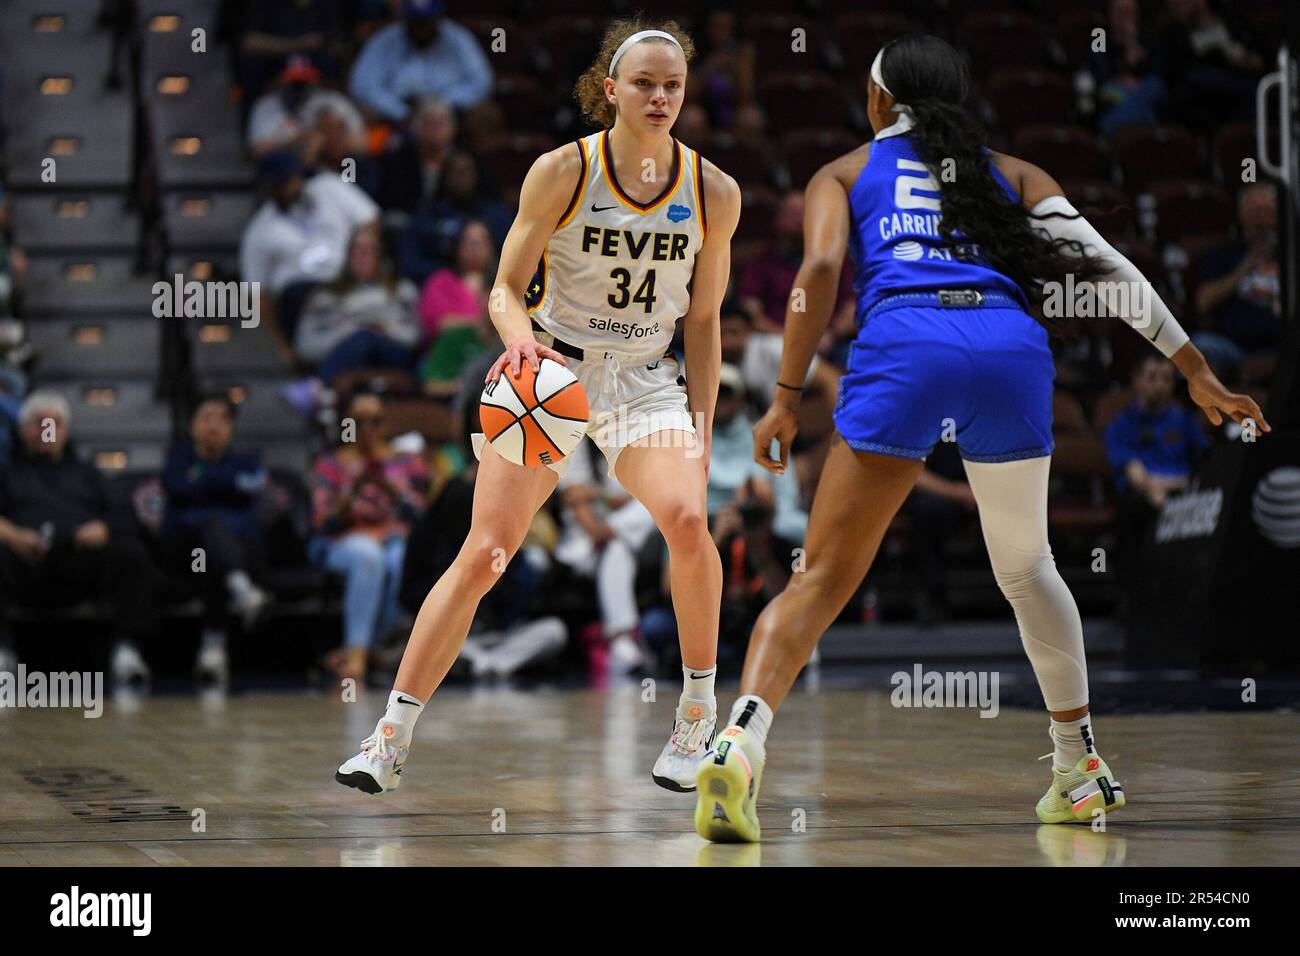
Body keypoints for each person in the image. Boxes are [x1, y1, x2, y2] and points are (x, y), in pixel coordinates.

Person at [695, 34, 1268, 843]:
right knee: (1030, 569)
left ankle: (739, 744)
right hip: (1008, 347)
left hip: (905, 346)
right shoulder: (1015, 171)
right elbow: (1106, 265)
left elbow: (818, 274)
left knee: (818, 579)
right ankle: (1080, 767)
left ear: (877, 103)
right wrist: (1194, 366)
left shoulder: (845, 171)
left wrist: (787, 399)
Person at [337, 18, 742, 796]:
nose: (660, 97)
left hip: (645, 379)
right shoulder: (562, 171)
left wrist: (700, 416)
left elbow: (703, 321)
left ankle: (696, 714)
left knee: (689, 521)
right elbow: (502, 287)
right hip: (552, 371)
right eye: (646, 84)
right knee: (486, 553)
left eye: (674, 86)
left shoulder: (713, 190)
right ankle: (389, 734)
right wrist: (519, 340)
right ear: (610, 89)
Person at [0, 392, 158, 686]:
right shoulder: (8, 474)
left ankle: (127, 650)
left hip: (80, 561)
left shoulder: (88, 474)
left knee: (130, 554)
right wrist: (9, 533)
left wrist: (105, 529)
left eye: (55, 424)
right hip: (24, 562)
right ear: (23, 431)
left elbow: (126, 514)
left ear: (66, 431)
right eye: (39, 423)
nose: (47, 430)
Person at [310, 391, 431, 684]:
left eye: (374, 421)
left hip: (393, 539)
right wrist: (350, 493)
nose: (366, 429)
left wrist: (390, 489)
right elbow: (322, 523)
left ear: (385, 424)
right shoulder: (331, 464)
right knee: (368, 555)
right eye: (358, 421)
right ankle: (358, 656)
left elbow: (420, 516)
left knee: (398, 559)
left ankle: (363, 651)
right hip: (344, 541)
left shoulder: (406, 462)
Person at [160, 394, 271, 683]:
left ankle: (213, 647)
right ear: (192, 425)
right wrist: (221, 482)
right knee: (211, 531)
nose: (215, 425)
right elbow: (179, 490)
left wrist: (205, 482)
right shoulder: (178, 460)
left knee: (215, 552)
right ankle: (243, 594)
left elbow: (250, 488)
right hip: (184, 555)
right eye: (207, 417)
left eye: (223, 419)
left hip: (235, 552)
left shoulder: (246, 461)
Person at [239, 150, 380, 356]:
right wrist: (282, 347)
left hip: (348, 278)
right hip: (303, 295)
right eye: (279, 184)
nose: (287, 189)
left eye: (289, 180)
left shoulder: (329, 187)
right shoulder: (259, 231)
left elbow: (370, 219)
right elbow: (257, 295)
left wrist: (361, 257)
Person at [1105, 354, 1209, 598]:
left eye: (1166, 379)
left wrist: (1167, 491)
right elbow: (1137, 478)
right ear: (1137, 380)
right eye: (1152, 378)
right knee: (1131, 509)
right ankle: (1133, 597)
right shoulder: (1121, 426)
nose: (1160, 385)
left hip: (1180, 493)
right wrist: (1157, 495)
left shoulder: (1185, 422)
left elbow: (1205, 466)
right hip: (1140, 498)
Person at [292, 225, 421, 396]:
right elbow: (305, 347)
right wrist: (345, 335)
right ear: (347, 255)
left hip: (392, 355)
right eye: (358, 250)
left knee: (365, 336)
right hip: (344, 356)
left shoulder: (402, 291)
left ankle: (318, 389)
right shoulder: (325, 296)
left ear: (381, 256)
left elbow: (418, 336)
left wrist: (387, 330)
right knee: (360, 337)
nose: (363, 256)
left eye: (370, 250)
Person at [348, 0, 494, 123]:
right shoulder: (385, 40)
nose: (422, 30)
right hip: (397, 113)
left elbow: (481, 81)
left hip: (450, 112)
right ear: (406, 19)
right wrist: (400, 110)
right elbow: (363, 85)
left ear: (438, 19)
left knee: (485, 113)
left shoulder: (458, 38)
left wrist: (443, 103)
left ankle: (472, 156)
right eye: (417, 23)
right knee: (363, 113)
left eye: (426, 22)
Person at [1192, 184, 1282, 383]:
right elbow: (1203, 302)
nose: (1264, 221)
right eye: (1258, 212)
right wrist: (1246, 267)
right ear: (1243, 215)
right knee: (1199, 345)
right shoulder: (1224, 255)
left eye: (1269, 212)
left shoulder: (1290, 257)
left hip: (1284, 346)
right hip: (1235, 348)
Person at [246, 55, 367, 159]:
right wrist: (296, 143)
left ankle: (347, 183)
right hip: (292, 170)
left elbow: (361, 143)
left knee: (353, 161)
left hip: (333, 163)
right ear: (279, 80)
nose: (299, 89)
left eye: (303, 83)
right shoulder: (266, 105)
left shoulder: (333, 100)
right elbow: (256, 151)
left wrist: (326, 140)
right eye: (293, 83)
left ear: (315, 80)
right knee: (282, 162)